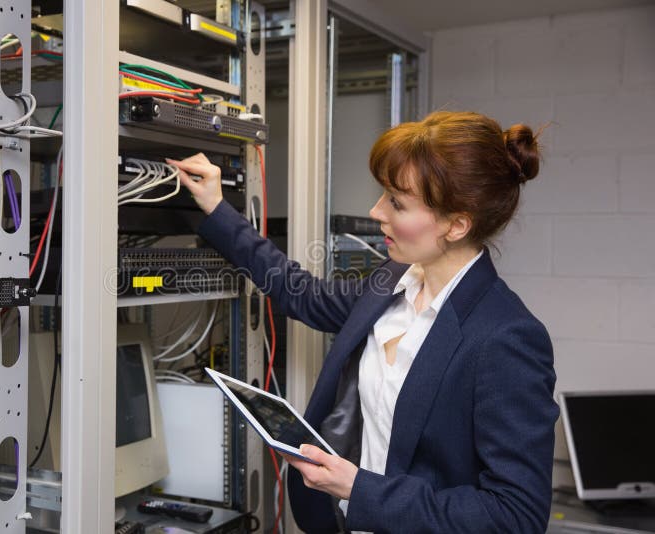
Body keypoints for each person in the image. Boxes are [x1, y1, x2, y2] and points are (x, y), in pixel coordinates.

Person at [168, 110, 559, 534]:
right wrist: (217, 207)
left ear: (457, 224)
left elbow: (515, 516)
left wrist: (359, 490)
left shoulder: (505, 337)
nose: (376, 211)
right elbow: (303, 294)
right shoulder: (393, 280)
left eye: (397, 203)